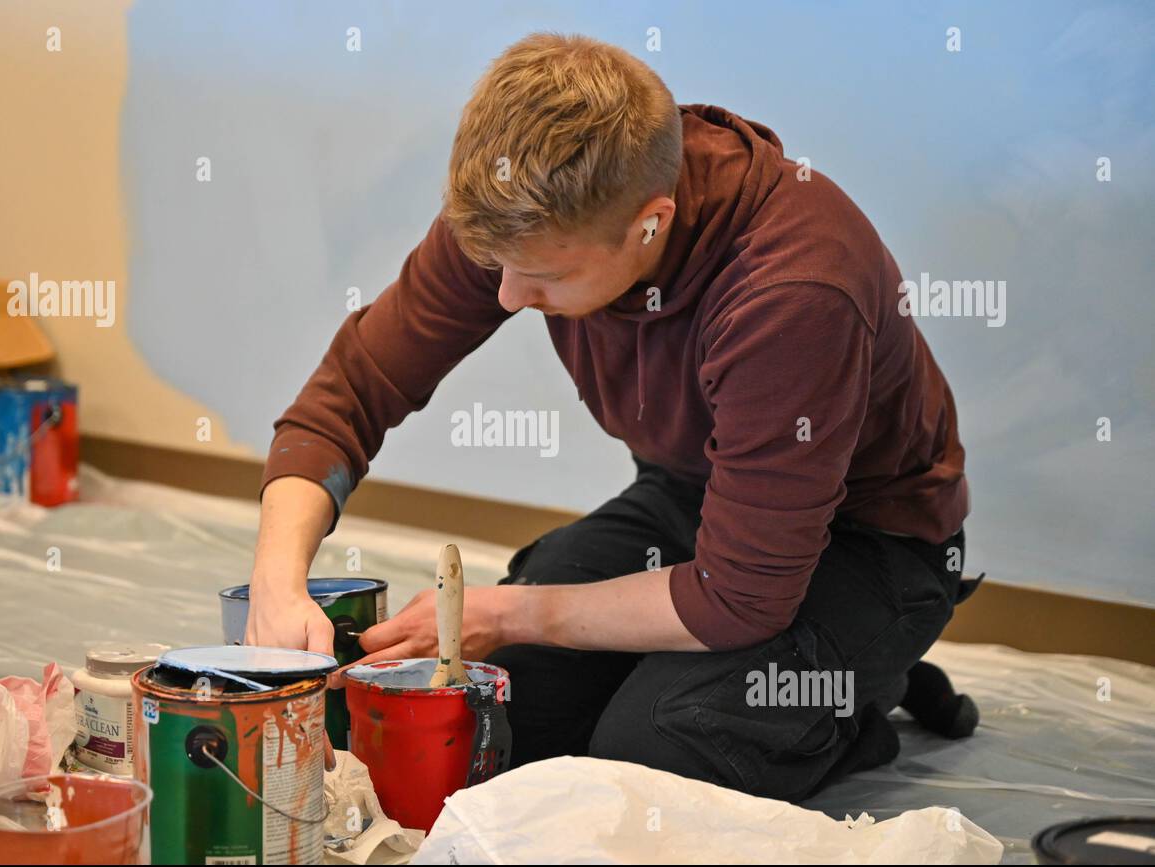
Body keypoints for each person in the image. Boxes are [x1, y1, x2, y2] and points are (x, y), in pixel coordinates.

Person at [246, 33, 980, 802]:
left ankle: (850, 692)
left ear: (650, 223)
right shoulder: (521, 211)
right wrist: (276, 579)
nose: (506, 297)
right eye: (499, 268)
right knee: (505, 709)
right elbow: (354, 387)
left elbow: (741, 596)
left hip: (871, 542)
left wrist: (509, 611)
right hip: (698, 495)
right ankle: (793, 677)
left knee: (656, 746)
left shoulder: (792, 291)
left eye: (543, 277)